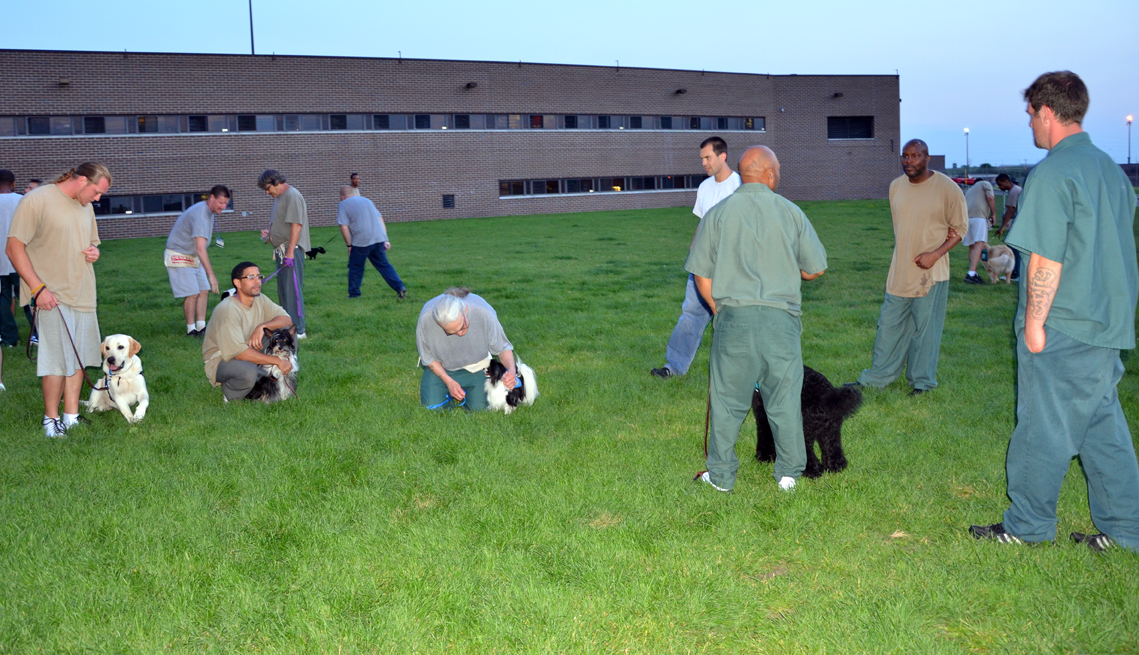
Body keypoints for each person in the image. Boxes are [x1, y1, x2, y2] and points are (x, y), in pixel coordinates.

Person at [970, 71, 1139, 553]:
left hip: (1064, 323)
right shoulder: (1110, 170)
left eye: (1030, 115)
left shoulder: (1053, 172)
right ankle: (1126, 530)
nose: (1029, 124)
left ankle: (1027, 525)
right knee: (1102, 430)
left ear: (1047, 112)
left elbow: (1045, 258)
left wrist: (1034, 325)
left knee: (1042, 427)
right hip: (1107, 322)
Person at [686, 146, 828, 492]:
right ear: (769, 173)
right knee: (784, 401)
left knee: (727, 403)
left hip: (734, 320)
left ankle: (721, 477)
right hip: (781, 323)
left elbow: (701, 274)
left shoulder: (718, 214)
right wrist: (786, 266)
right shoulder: (791, 212)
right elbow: (815, 269)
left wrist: (718, 308)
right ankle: (789, 475)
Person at [852, 140, 967, 396]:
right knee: (888, 327)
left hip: (930, 273)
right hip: (900, 271)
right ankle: (878, 378)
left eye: (915, 156)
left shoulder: (947, 188)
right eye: (905, 156)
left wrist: (935, 254)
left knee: (924, 331)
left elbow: (960, 228)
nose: (909, 161)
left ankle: (922, 383)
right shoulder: (896, 186)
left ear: (927, 158)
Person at [5, 163, 110, 437]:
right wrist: (38, 289)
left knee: (78, 357)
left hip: (83, 293)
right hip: (50, 295)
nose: (98, 199)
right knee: (56, 359)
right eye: (96, 192)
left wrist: (94, 252)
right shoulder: (37, 199)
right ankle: (50, 420)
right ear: (82, 181)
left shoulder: (85, 206)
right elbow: (13, 247)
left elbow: (91, 243)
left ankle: (71, 416)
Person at [651, 136, 741, 379]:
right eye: (702, 158)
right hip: (702, 266)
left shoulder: (739, 186)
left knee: (734, 319)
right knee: (690, 315)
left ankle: (741, 374)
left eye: (707, 157)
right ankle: (673, 367)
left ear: (723, 156)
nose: (703, 163)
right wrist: (693, 253)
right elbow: (702, 223)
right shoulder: (705, 187)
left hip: (730, 267)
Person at [201, 261, 293, 402]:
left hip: (249, 346)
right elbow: (240, 353)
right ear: (237, 283)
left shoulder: (259, 299)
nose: (257, 281)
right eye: (251, 277)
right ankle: (231, 393)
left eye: (259, 276)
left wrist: (262, 326)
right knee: (249, 372)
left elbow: (287, 320)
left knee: (286, 334)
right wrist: (277, 361)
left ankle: (276, 383)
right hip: (222, 358)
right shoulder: (227, 309)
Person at [416, 287, 516, 411]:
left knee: (479, 411)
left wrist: (511, 370)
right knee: (431, 409)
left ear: (465, 311)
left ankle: (473, 388)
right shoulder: (426, 319)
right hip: (442, 368)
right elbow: (428, 358)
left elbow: (502, 348)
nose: (460, 334)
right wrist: (448, 381)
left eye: (463, 326)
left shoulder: (484, 313)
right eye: (450, 332)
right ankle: (444, 389)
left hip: (476, 368)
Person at [165, 185, 228, 336]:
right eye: (221, 203)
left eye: (226, 203)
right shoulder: (200, 215)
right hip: (179, 254)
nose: (223, 207)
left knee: (203, 290)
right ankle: (191, 330)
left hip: (192, 255)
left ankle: (201, 327)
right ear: (212, 198)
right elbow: (200, 248)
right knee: (192, 293)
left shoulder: (208, 211)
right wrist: (212, 276)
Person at [257, 170, 310, 339]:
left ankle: (299, 331)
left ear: (276, 182)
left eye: (268, 188)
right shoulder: (279, 197)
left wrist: (290, 253)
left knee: (292, 291)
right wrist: (269, 235)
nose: (267, 193)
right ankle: (288, 326)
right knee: (284, 291)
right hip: (282, 251)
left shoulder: (292, 196)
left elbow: (296, 225)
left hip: (290, 251)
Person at [337, 185, 407, 299]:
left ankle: (354, 294)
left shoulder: (343, 204)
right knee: (383, 265)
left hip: (361, 241)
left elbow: (344, 227)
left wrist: (349, 245)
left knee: (356, 268)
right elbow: (380, 219)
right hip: (378, 238)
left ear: (342, 197)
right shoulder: (367, 200)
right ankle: (400, 287)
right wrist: (385, 239)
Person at [0, 169, 24, 348]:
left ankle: (9, 338)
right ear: (14, 183)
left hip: (1, 261)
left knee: (3, 300)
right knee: (28, 298)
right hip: (21, 259)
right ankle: (37, 335)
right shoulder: (23, 200)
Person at [962, 178, 995, 283]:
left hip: (967, 218)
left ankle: (973, 272)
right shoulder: (986, 183)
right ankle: (971, 274)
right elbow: (990, 197)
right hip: (979, 217)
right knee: (979, 244)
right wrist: (993, 214)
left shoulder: (969, 190)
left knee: (972, 246)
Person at [994, 173, 1023, 281]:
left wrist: (1001, 227)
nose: (1000, 187)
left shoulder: (1014, 191)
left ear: (1007, 181)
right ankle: (1016, 272)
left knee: (1012, 248)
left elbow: (1010, 211)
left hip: (1016, 222)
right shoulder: (1018, 189)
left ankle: (1016, 273)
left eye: (1000, 184)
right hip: (1020, 222)